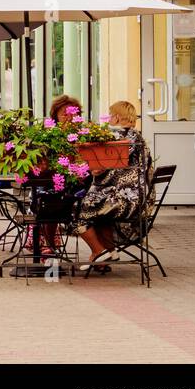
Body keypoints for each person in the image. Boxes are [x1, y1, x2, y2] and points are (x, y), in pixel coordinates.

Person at [76, 100, 153, 273]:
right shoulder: (137, 136)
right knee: (100, 213)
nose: (109, 118)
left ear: (117, 117)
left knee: (79, 210)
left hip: (123, 200)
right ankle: (110, 252)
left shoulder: (117, 138)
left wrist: (94, 170)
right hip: (139, 198)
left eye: (110, 115)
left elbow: (103, 170)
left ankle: (98, 251)